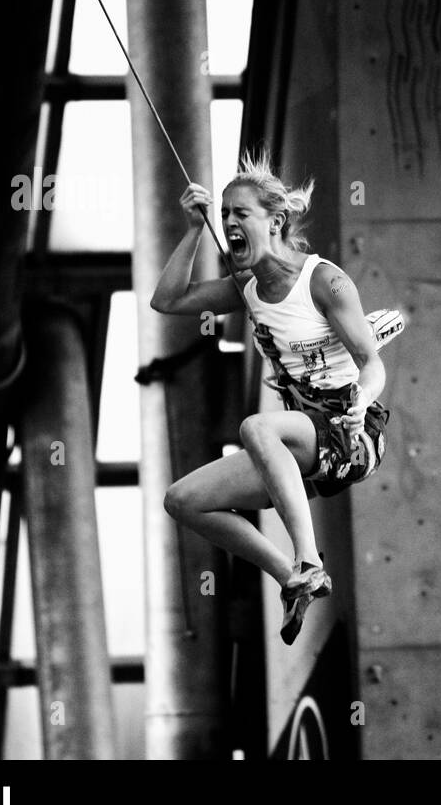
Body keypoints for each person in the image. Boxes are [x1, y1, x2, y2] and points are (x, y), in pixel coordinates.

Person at [151, 150, 388, 644]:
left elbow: (372, 363)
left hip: (352, 436)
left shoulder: (324, 281)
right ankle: (292, 578)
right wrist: (194, 229)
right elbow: (168, 300)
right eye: (223, 214)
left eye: (240, 213)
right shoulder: (248, 288)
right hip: (301, 447)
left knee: (256, 426)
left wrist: (361, 404)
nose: (229, 223)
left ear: (276, 220)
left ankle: (309, 559)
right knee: (183, 501)